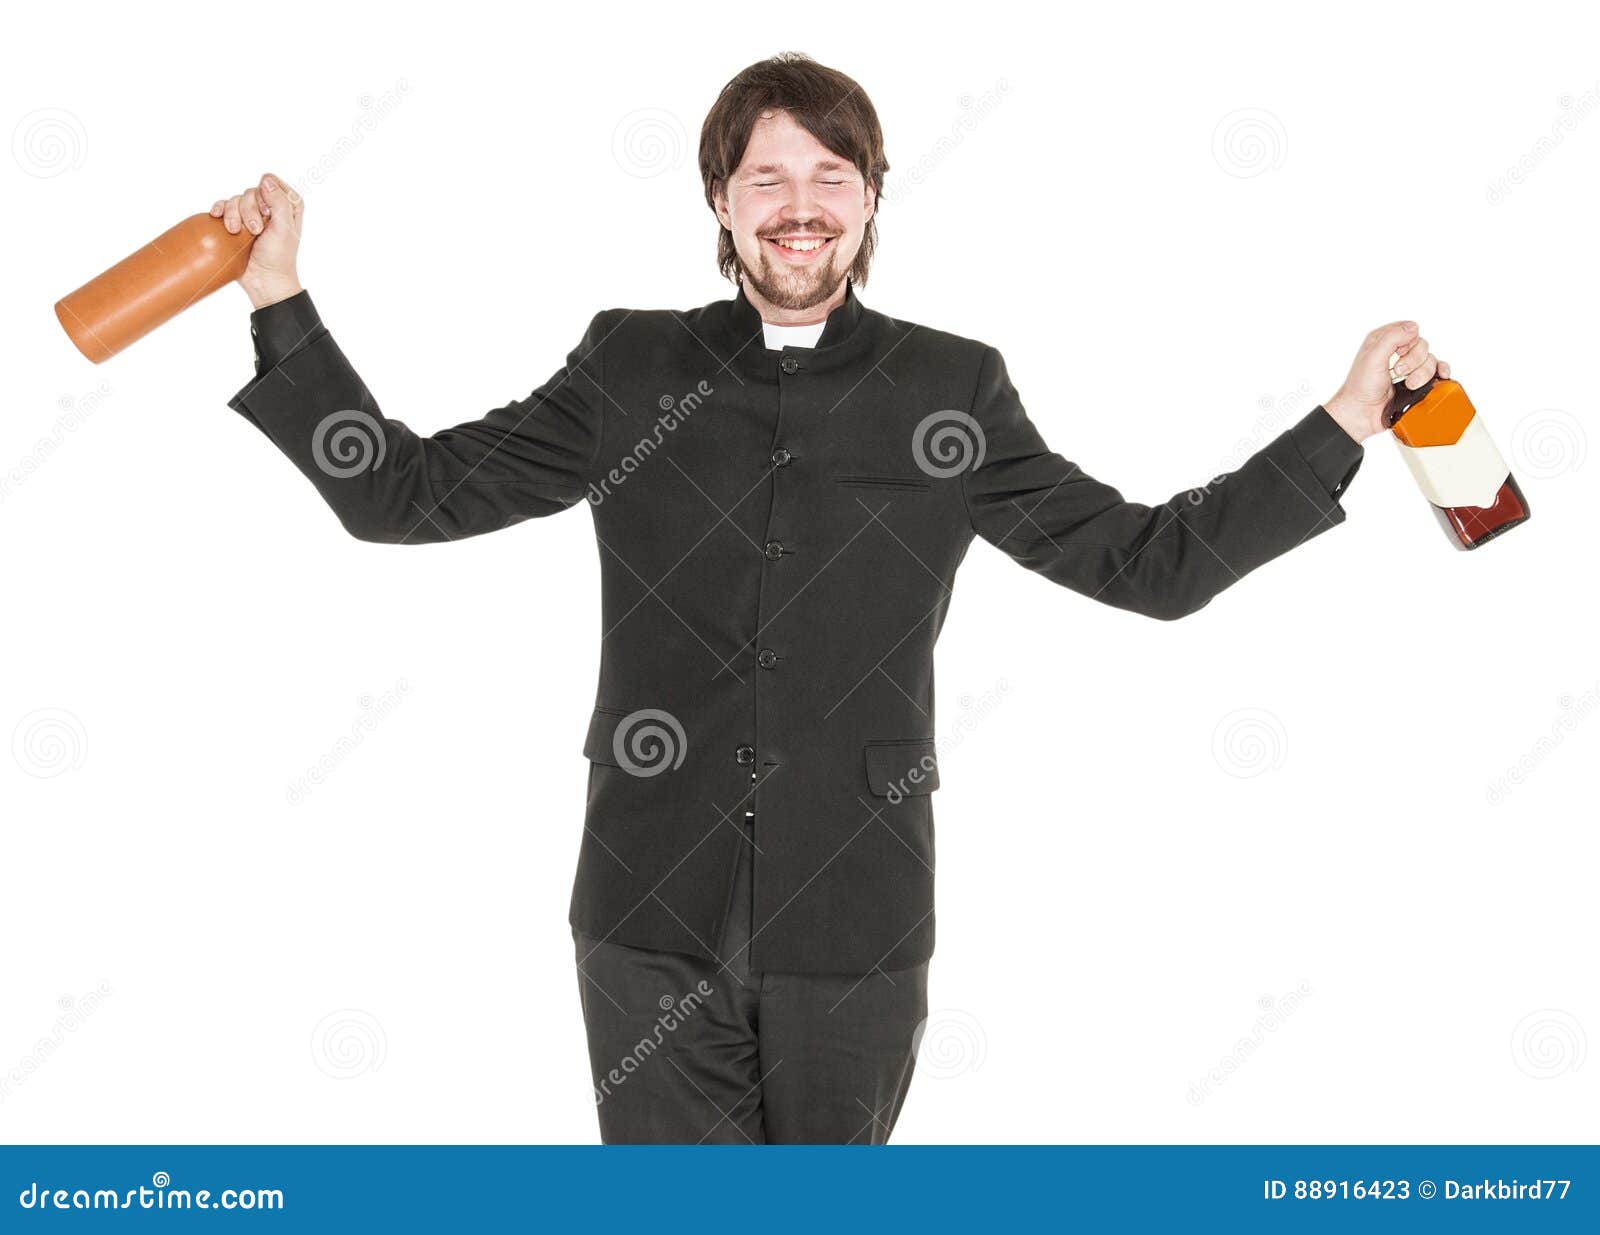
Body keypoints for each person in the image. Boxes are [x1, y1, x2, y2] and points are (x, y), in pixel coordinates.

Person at [213, 52, 1446, 1144]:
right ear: (719, 203)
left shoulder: (948, 388)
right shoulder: (627, 366)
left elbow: (1149, 566)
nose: (799, 206)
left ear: (867, 201)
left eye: (830, 178)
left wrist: (1342, 417)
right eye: (765, 178)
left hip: (856, 924)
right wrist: (279, 296)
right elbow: (403, 496)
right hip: (647, 917)